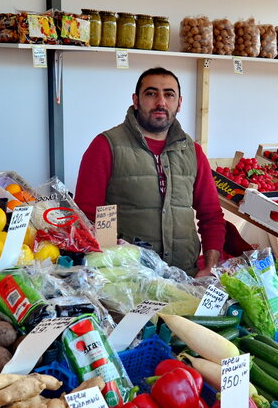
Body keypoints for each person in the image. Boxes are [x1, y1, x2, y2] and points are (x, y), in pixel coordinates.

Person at [75, 67, 224, 277]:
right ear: (136, 100)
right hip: (127, 280)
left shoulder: (192, 151)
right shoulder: (106, 146)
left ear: (179, 103)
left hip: (185, 277)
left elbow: (211, 216)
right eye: (151, 93)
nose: (161, 102)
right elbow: (86, 217)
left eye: (169, 95)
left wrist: (210, 267)